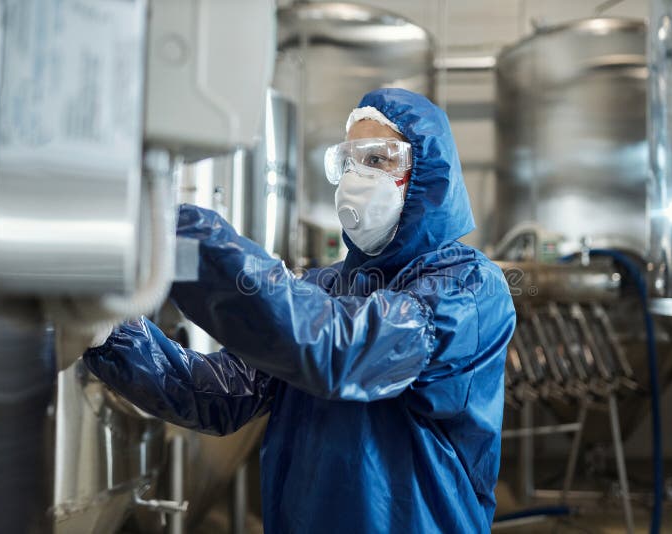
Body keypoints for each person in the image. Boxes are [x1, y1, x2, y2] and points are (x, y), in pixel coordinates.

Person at [83, 88, 516, 533]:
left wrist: (181, 236)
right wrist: (114, 335)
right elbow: (221, 395)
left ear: (427, 173)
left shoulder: (467, 287)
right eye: (347, 161)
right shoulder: (324, 287)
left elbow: (345, 351)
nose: (355, 177)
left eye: (377, 160)